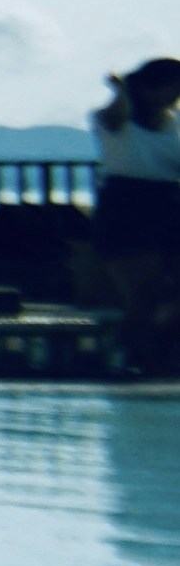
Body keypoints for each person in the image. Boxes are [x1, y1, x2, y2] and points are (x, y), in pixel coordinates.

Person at [102, 58, 180, 371]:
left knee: (158, 297)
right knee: (142, 293)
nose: (174, 95)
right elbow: (114, 119)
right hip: (127, 207)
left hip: (168, 204)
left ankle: (144, 349)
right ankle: (142, 359)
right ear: (150, 88)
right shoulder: (117, 117)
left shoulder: (173, 122)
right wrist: (122, 90)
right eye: (170, 87)